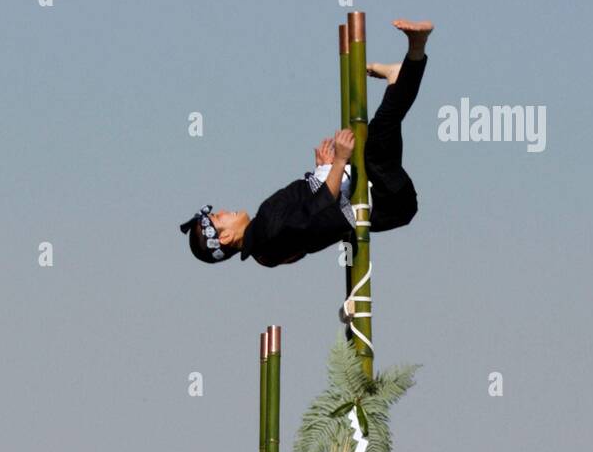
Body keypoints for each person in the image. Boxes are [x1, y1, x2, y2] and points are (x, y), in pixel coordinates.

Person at [179, 20, 433, 268]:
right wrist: (339, 161)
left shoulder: (265, 245)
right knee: (378, 137)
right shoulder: (266, 233)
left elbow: (305, 231)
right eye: (218, 217)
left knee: (382, 130)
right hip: (385, 201)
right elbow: (319, 208)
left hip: (376, 197)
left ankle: (403, 69)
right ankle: (414, 52)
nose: (224, 211)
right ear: (225, 237)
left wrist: (323, 171)